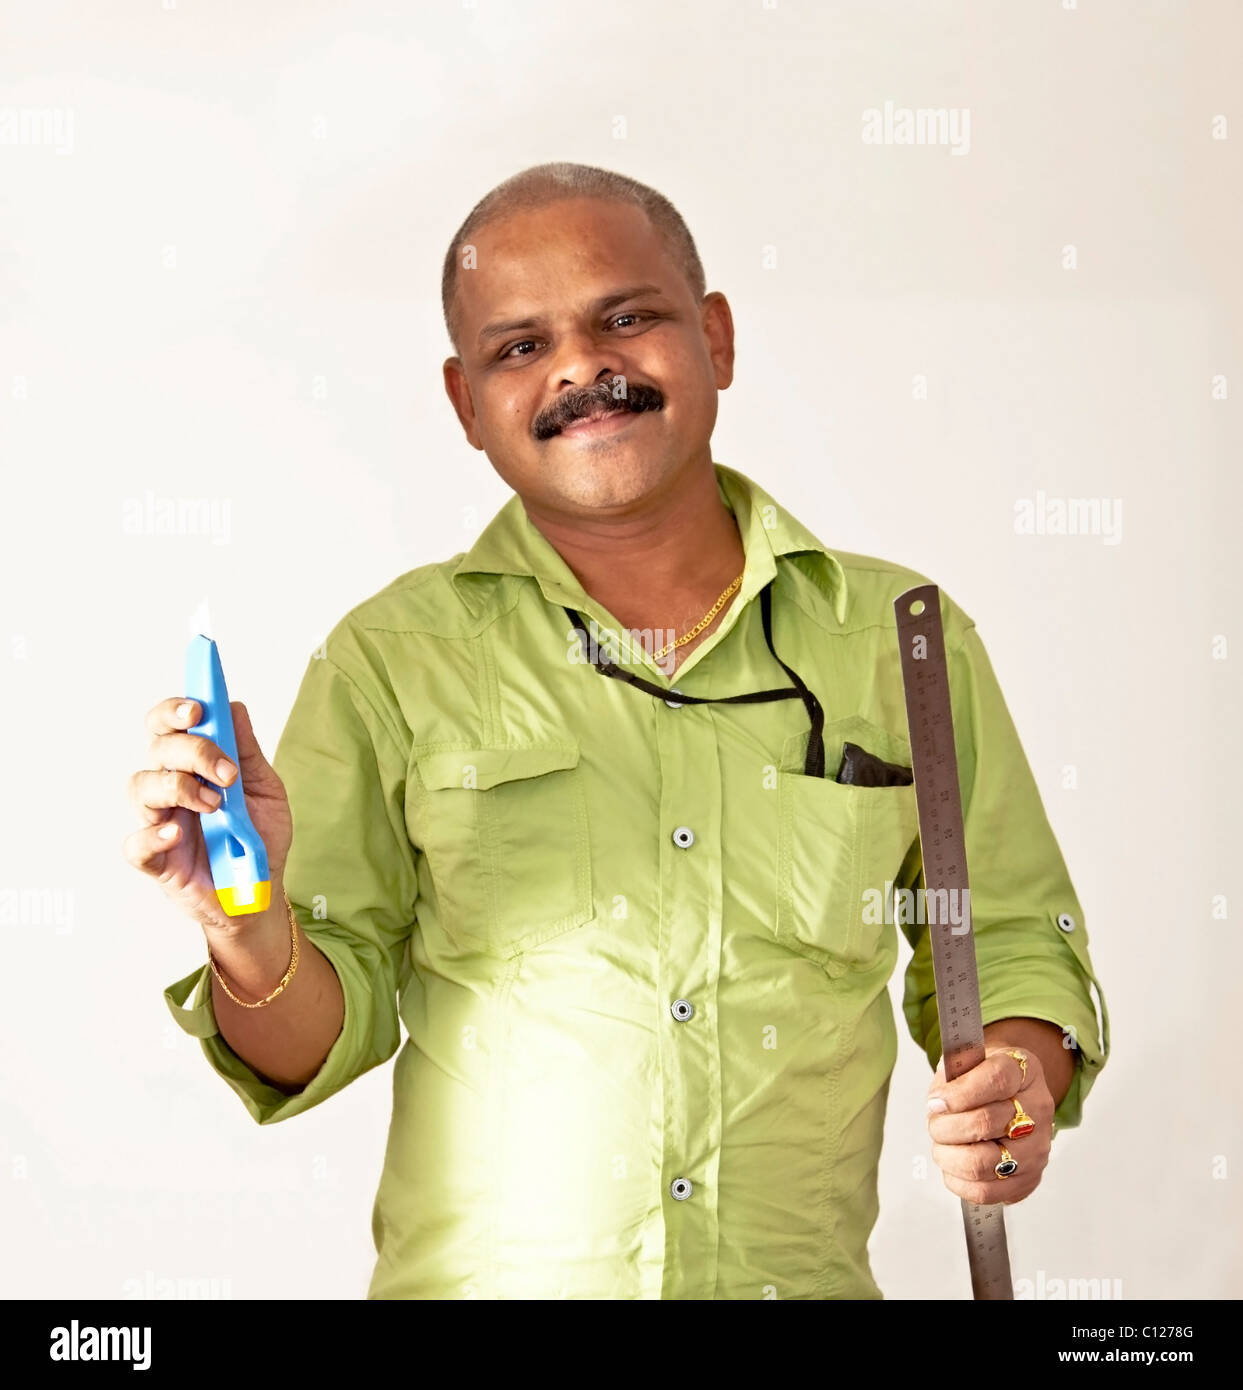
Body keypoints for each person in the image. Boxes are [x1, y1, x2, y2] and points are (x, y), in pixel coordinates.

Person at [125, 162, 1109, 1300]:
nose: (581, 369)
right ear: (465, 405)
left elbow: (1005, 938)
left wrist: (1019, 1081)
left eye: (626, 319)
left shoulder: (901, 638)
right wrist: (239, 914)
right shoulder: (390, 659)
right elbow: (310, 1043)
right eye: (518, 347)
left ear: (717, 338)